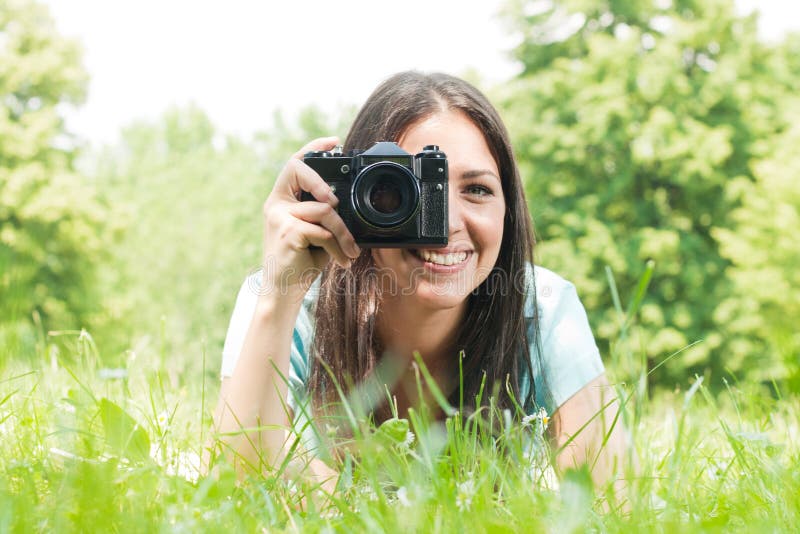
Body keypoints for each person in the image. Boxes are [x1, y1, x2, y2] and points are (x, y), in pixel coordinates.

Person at [210, 71, 630, 494]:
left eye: (477, 190)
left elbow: (614, 502)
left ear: (509, 208)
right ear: (356, 196)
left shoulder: (543, 309)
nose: (445, 224)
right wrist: (278, 294)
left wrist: (326, 491)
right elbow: (237, 488)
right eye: (402, 193)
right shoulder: (284, 301)